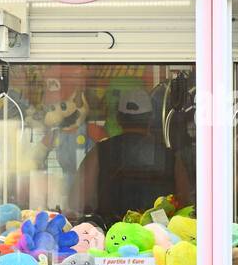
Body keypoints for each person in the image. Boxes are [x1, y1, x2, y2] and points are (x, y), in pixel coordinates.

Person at [69, 86, 191, 223]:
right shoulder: (171, 156)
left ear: (118, 118)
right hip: (159, 237)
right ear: (150, 118)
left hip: (112, 236)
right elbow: (185, 203)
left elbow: (76, 200)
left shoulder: (99, 152)